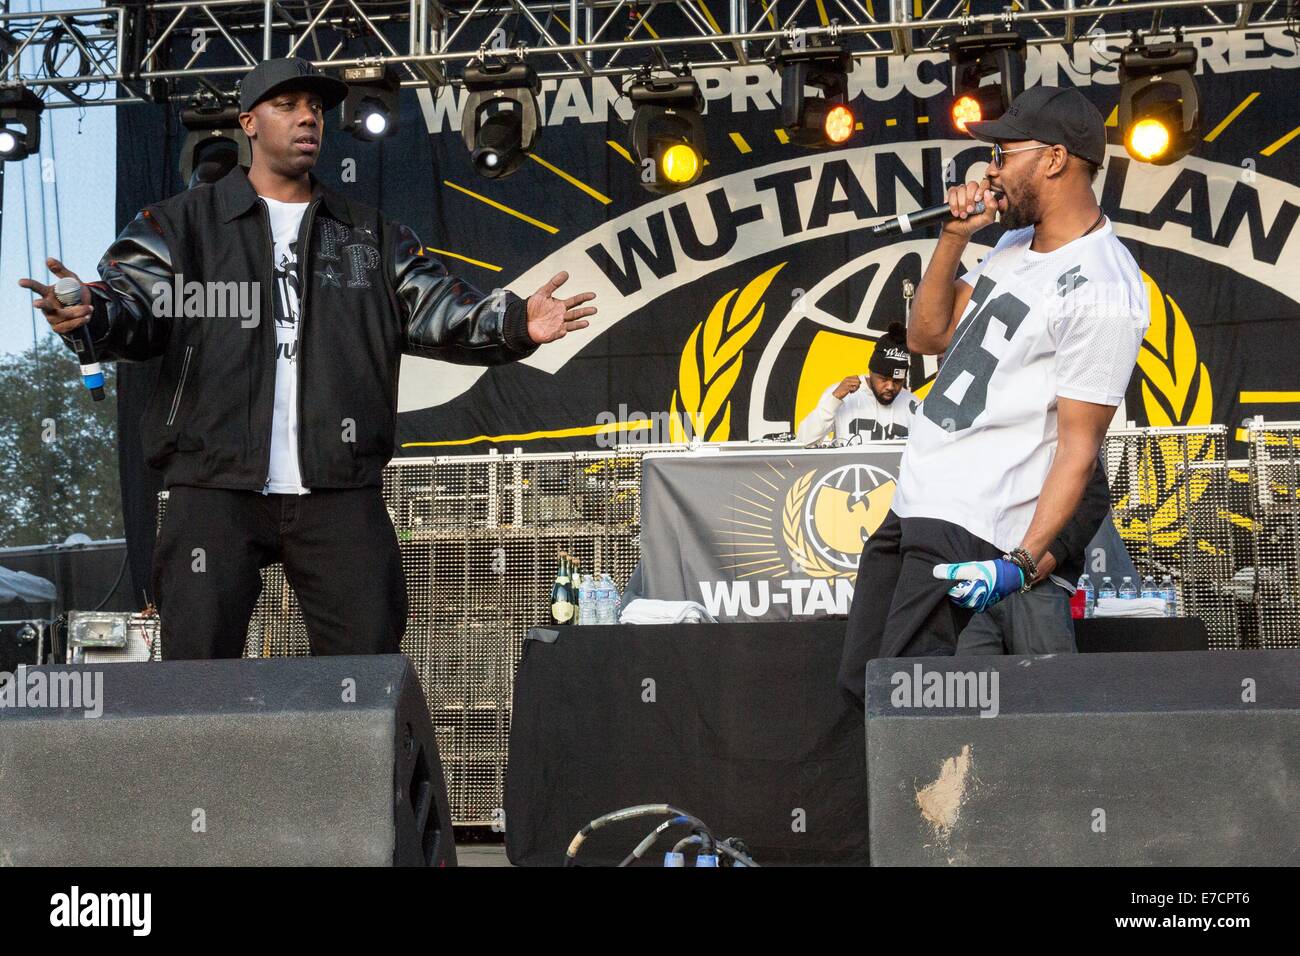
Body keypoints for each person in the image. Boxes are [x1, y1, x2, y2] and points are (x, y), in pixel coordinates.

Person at [22, 57, 597, 661]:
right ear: (248, 122)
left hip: (338, 485)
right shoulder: (180, 225)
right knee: (196, 671)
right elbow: (131, 305)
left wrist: (514, 320)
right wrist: (90, 311)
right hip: (212, 483)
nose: (306, 119)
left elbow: (438, 311)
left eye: (316, 109)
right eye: (287, 106)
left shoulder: (370, 235)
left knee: (365, 670)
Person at [838, 86, 1150, 704]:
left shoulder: (1105, 286)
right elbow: (927, 335)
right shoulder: (1011, 246)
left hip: (973, 519)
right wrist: (954, 237)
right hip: (917, 501)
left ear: (1056, 160)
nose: (991, 171)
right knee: (864, 686)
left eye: (1006, 153)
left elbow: (1078, 450)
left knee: (916, 704)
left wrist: (1023, 561)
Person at [796, 322, 916, 445]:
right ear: (871, 372)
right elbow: (804, 442)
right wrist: (834, 399)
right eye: (884, 379)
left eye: (897, 381)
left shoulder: (913, 404)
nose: (890, 386)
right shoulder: (843, 395)